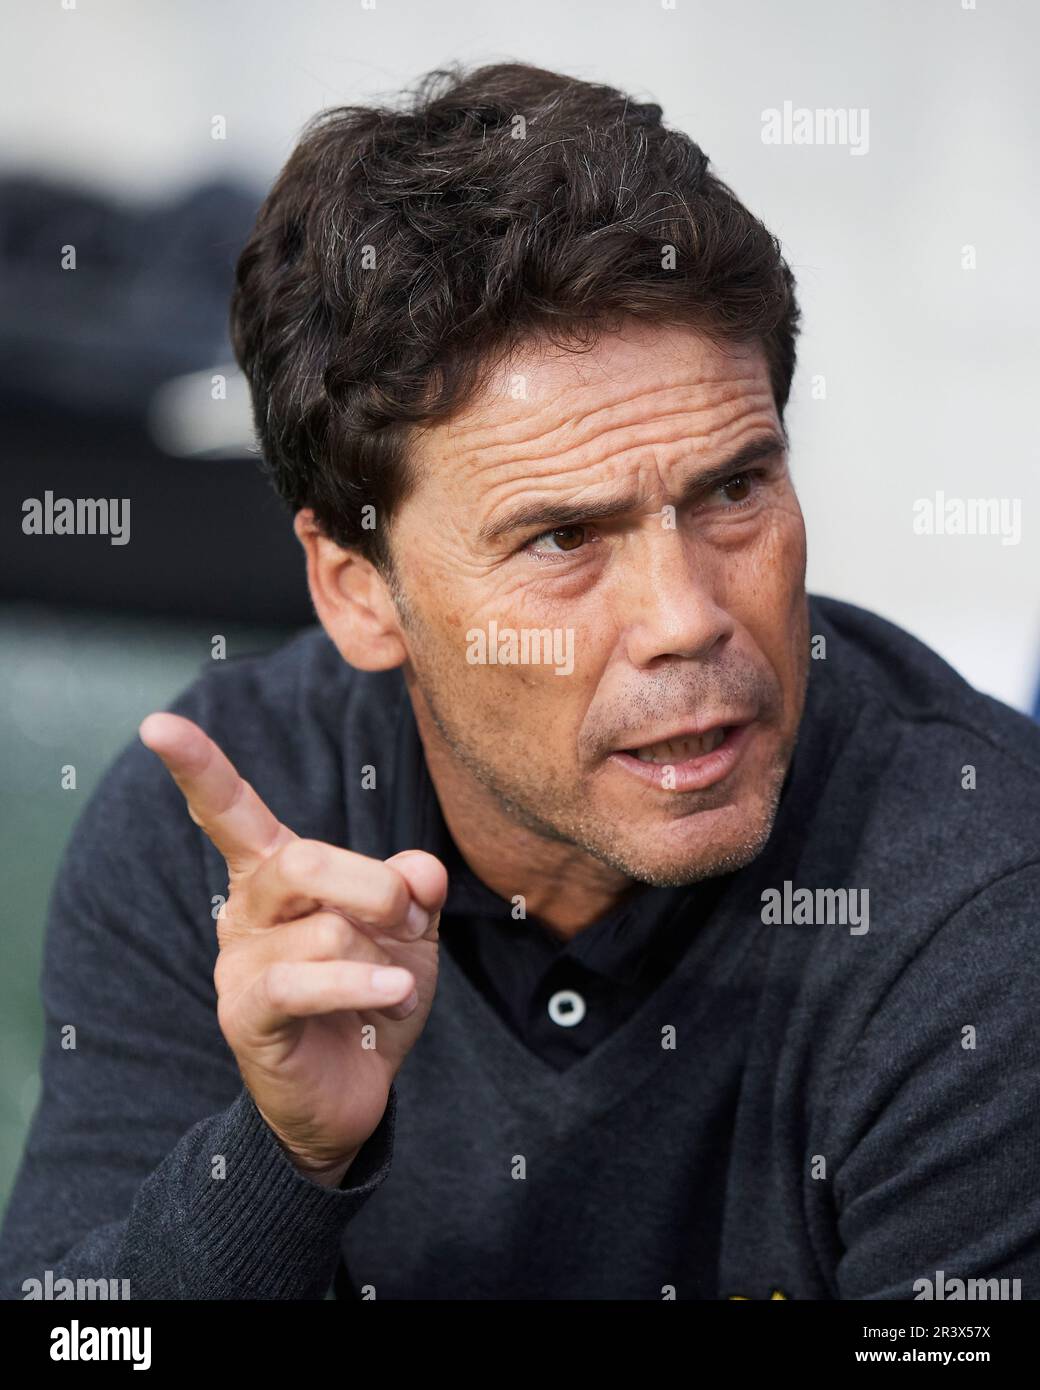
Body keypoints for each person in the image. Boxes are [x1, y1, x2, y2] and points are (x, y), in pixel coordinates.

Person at [3, 61, 1039, 1302]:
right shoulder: (223, 838)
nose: (688, 619)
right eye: (561, 539)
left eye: (732, 489)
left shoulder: (980, 898)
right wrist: (280, 1161)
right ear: (354, 590)